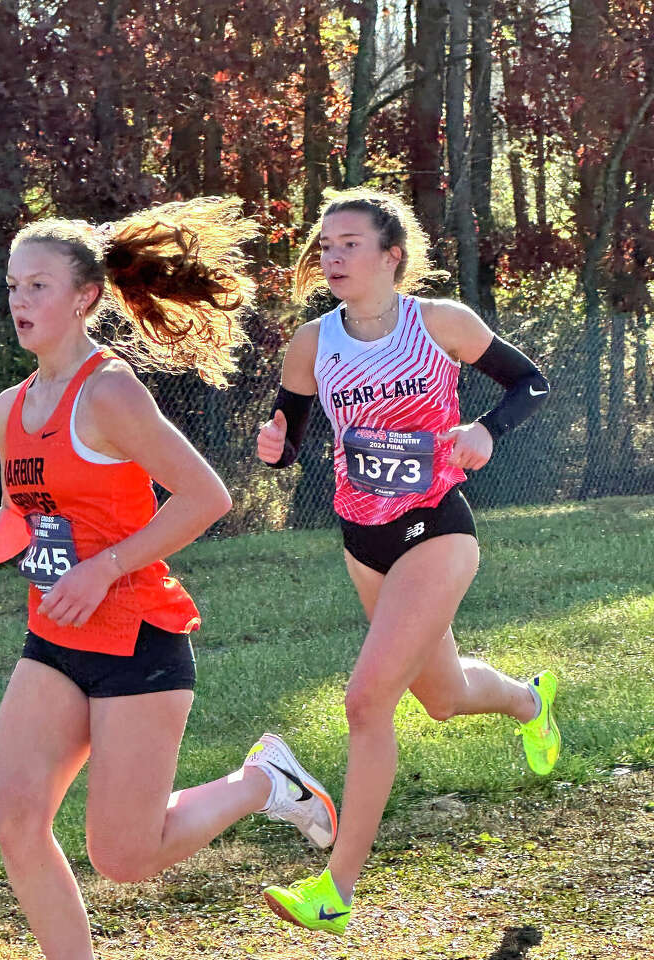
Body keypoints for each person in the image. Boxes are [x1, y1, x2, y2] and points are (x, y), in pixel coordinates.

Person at [0, 198, 337, 960]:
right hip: (54, 638)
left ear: (85, 296)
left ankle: (264, 781)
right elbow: (20, 510)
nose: (20, 302)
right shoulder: (10, 407)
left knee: (124, 858)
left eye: (38, 287)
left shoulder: (109, 392)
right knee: (18, 826)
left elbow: (206, 496)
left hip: (139, 640)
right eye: (14, 287)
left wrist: (104, 567)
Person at [256, 188, 560, 936]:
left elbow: (530, 383)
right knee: (442, 697)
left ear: (392, 255)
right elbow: (290, 429)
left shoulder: (441, 324)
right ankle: (528, 700)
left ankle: (335, 890)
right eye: (324, 245)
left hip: (438, 526)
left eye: (349, 243)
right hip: (364, 540)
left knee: (367, 703)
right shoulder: (312, 342)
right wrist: (276, 449)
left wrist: (487, 431)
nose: (331, 256)